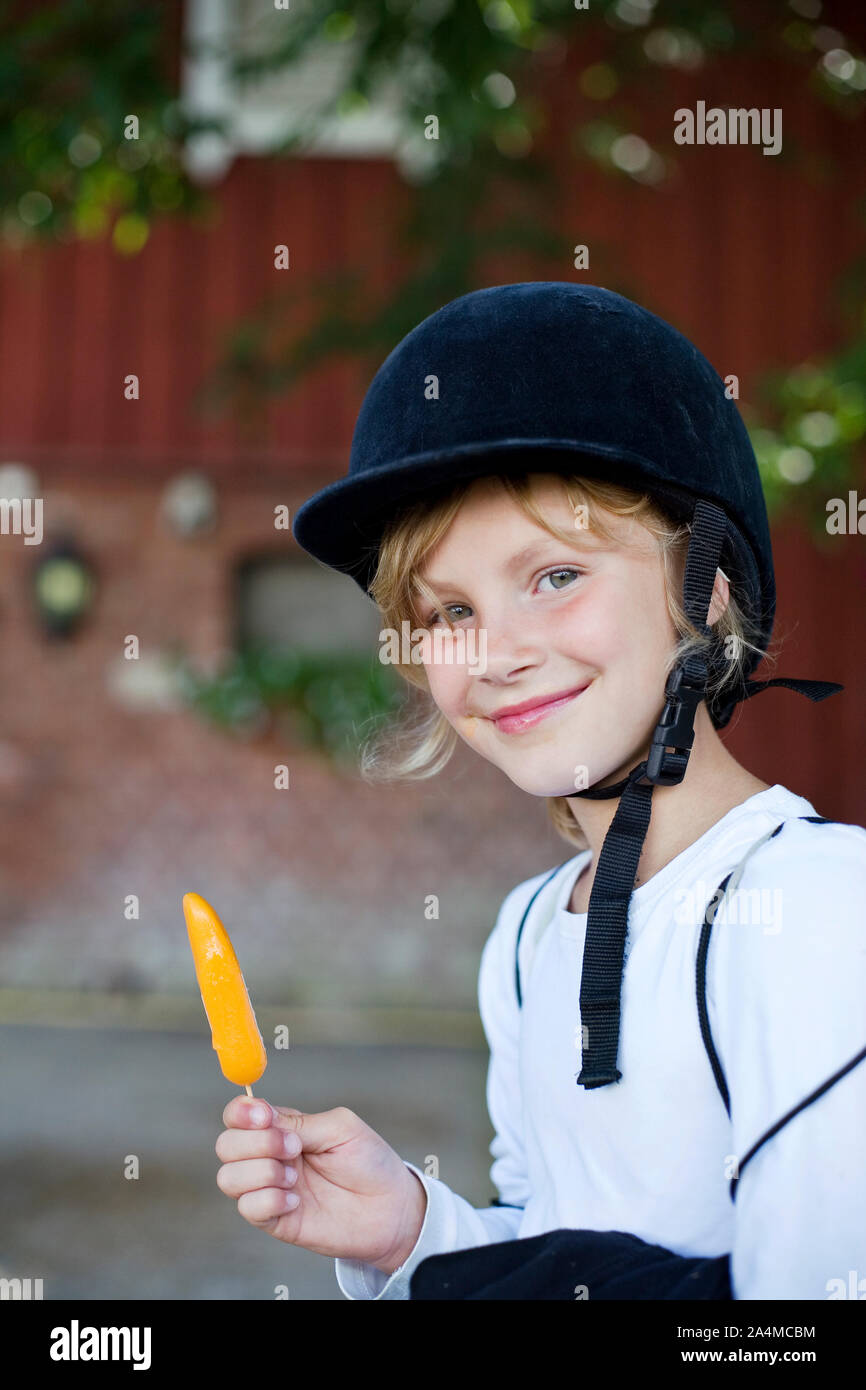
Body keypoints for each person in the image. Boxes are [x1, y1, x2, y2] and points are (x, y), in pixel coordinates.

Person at [213, 283, 866, 1299]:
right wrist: (415, 1237)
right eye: (448, 611)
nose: (497, 653)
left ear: (708, 588)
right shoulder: (522, 941)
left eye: (554, 576)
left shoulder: (820, 911)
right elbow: (550, 1236)